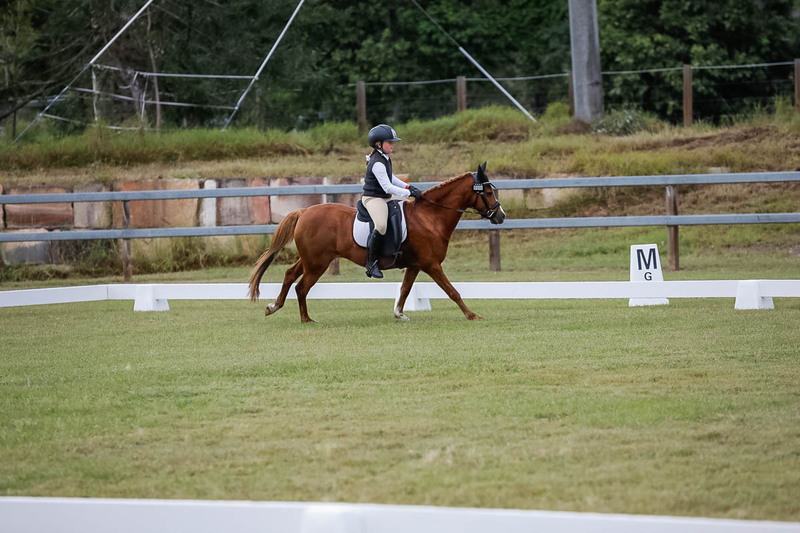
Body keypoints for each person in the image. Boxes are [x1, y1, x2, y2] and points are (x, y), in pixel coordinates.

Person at [362, 124, 424, 279]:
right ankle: (371, 263)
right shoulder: (377, 162)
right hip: (373, 198)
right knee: (381, 225)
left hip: (385, 197)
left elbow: (392, 178)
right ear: (379, 144)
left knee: (407, 208)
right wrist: (409, 192)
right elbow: (387, 186)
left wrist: (408, 187)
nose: (392, 145)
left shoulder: (385, 158)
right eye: (389, 142)